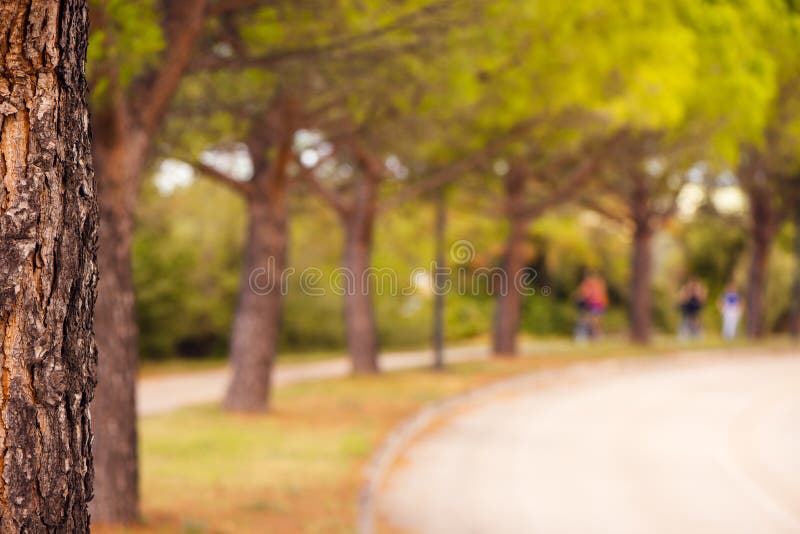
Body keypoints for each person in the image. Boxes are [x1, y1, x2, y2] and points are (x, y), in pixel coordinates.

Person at [575, 271, 609, 341]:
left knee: (595, 321)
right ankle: (595, 336)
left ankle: (595, 336)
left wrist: (581, 297)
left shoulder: (594, 283)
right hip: (595, 304)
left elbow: (585, 293)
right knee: (594, 321)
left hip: (597, 304)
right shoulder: (597, 283)